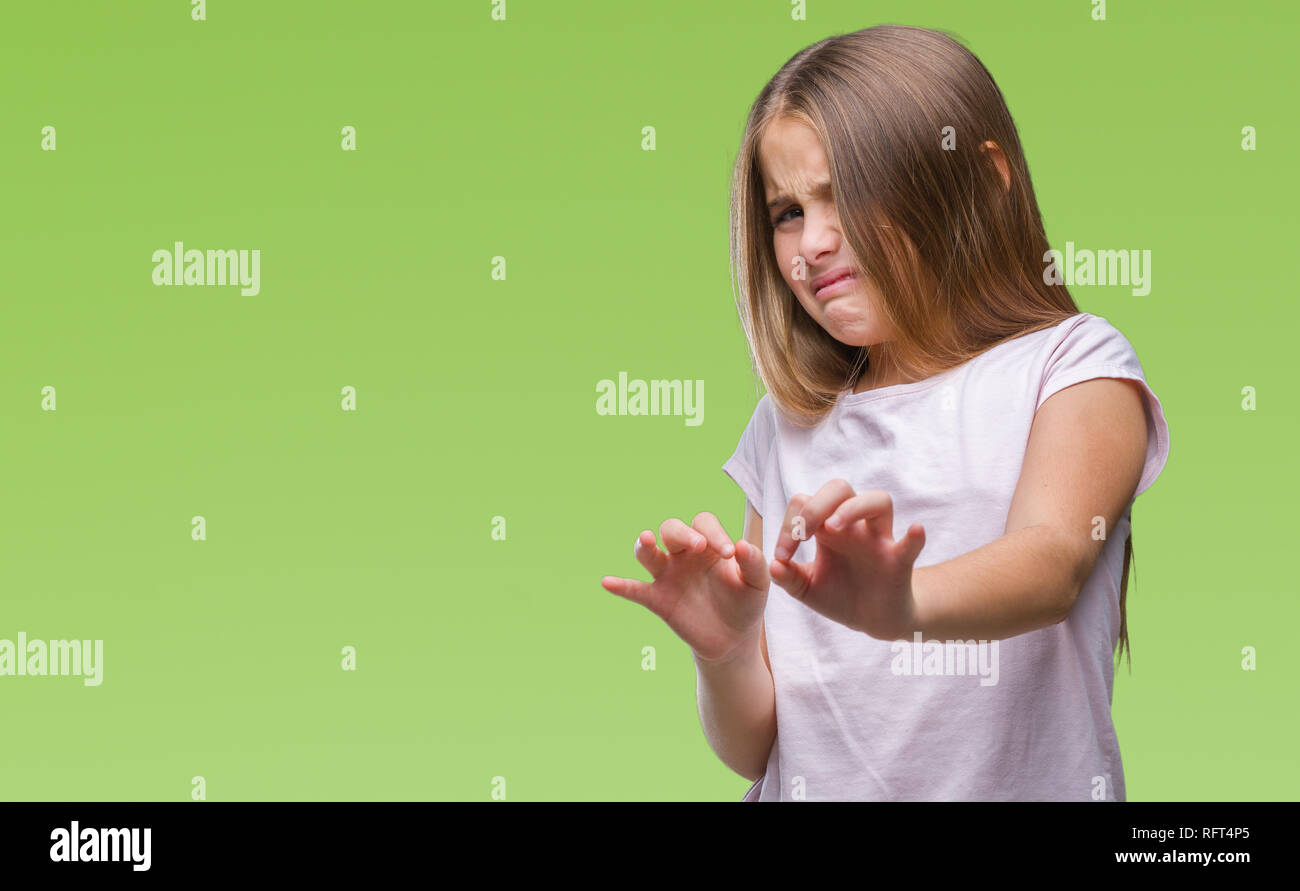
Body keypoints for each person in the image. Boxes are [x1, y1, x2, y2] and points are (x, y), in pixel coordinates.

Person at [600, 24, 1170, 801]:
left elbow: (1052, 560)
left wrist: (902, 604)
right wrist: (728, 649)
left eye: (846, 195)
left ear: (982, 178)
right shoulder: (784, 426)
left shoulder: (1072, 365)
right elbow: (755, 747)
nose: (813, 243)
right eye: (787, 212)